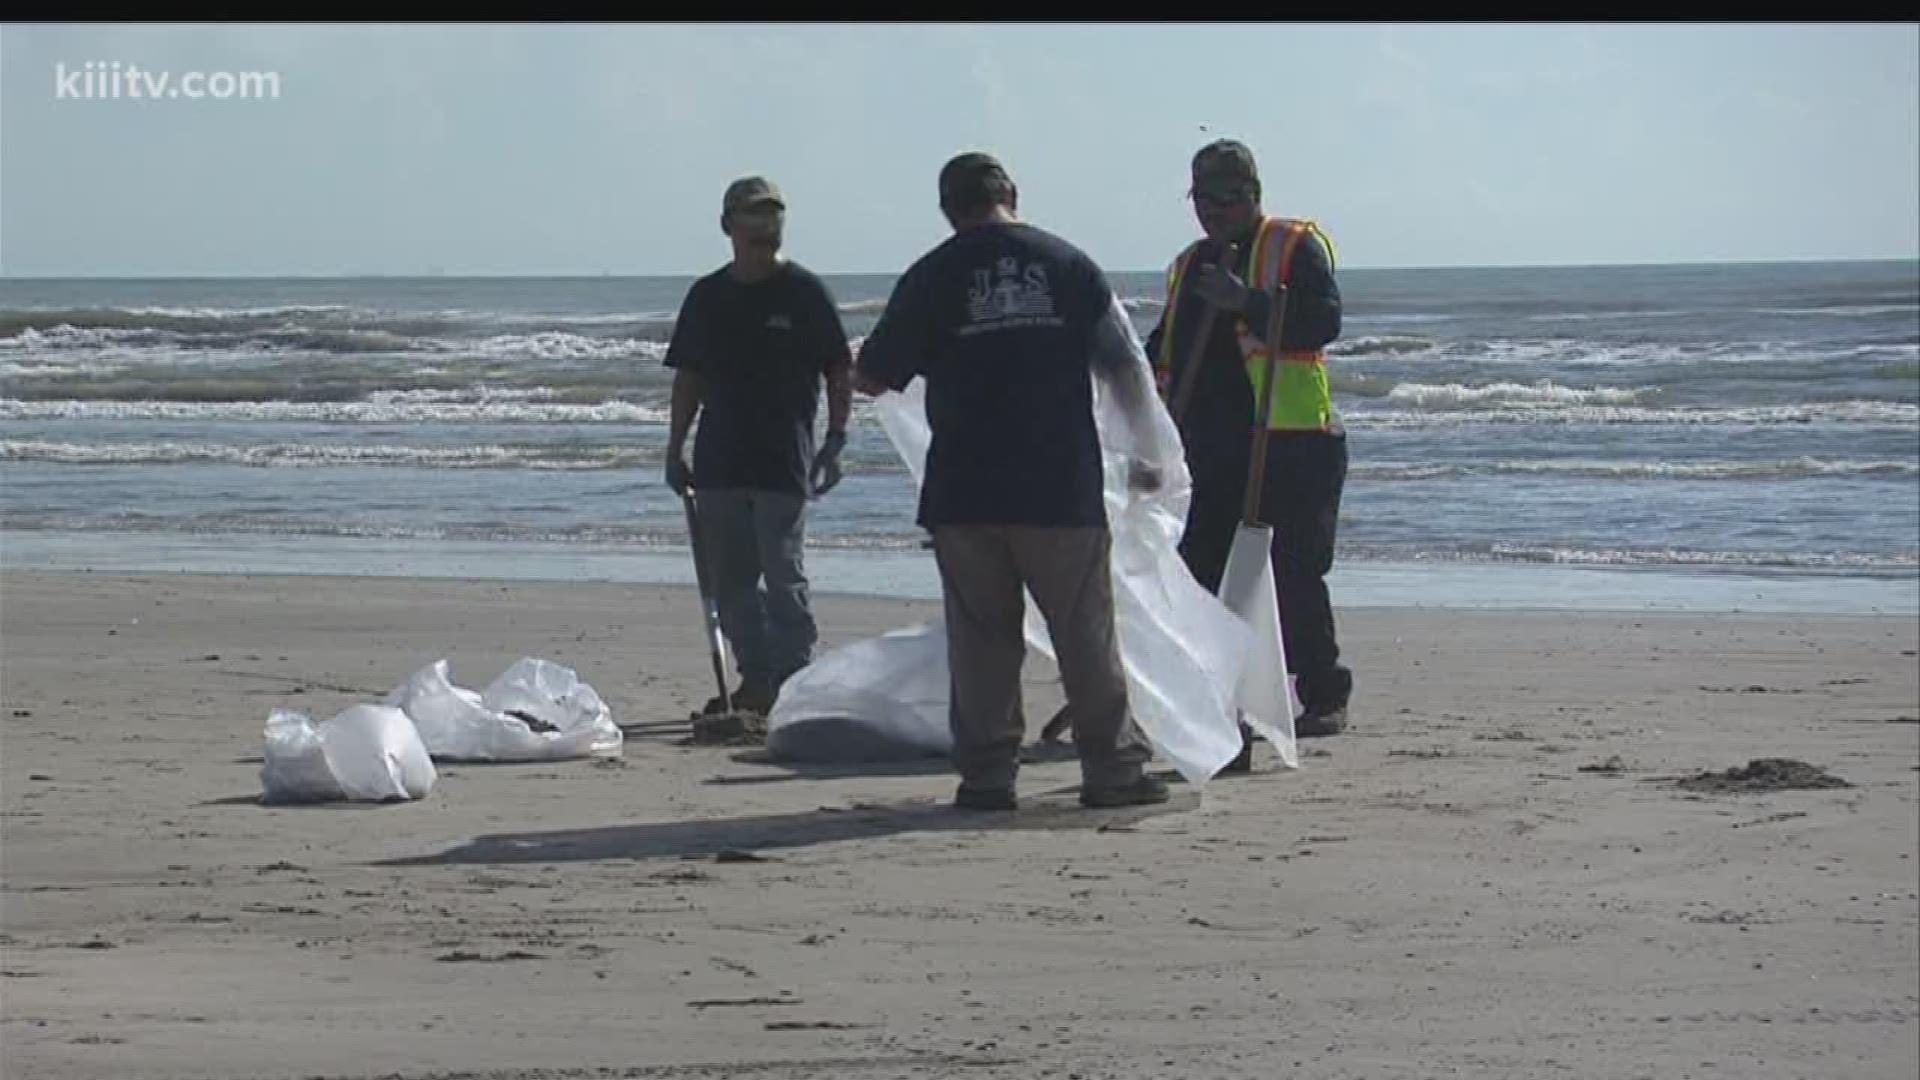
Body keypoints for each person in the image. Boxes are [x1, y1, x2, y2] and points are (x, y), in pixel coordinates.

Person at [853, 151, 1175, 811]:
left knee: (982, 643)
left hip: (966, 492)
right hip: (1059, 486)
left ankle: (988, 776)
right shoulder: (1068, 265)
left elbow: (878, 375)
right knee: (1085, 635)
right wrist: (1146, 451)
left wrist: (844, 364)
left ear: (949, 209)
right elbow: (1124, 367)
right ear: (1013, 195)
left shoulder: (932, 276)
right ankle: (1111, 770)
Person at [1143, 138, 1351, 765]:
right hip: (1212, 447)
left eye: (1227, 199)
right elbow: (1168, 348)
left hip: (1291, 441)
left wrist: (1248, 303)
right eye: (1203, 200)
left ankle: (1322, 693)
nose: (1214, 212)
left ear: (1253, 195)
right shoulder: (1188, 266)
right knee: (1203, 573)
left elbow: (1323, 322)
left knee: (1292, 572)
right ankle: (1217, 700)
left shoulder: (1292, 246)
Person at [664, 175, 853, 716]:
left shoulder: (804, 292)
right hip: (720, 459)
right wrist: (674, 447)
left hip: (784, 459)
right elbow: (688, 377)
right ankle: (756, 682)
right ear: (729, 226)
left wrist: (836, 439)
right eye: (753, 216)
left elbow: (839, 366)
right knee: (732, 581)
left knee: (784, 574)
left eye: (772, 216)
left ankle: (795, 683)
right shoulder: (708, 296)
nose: (765, 227)